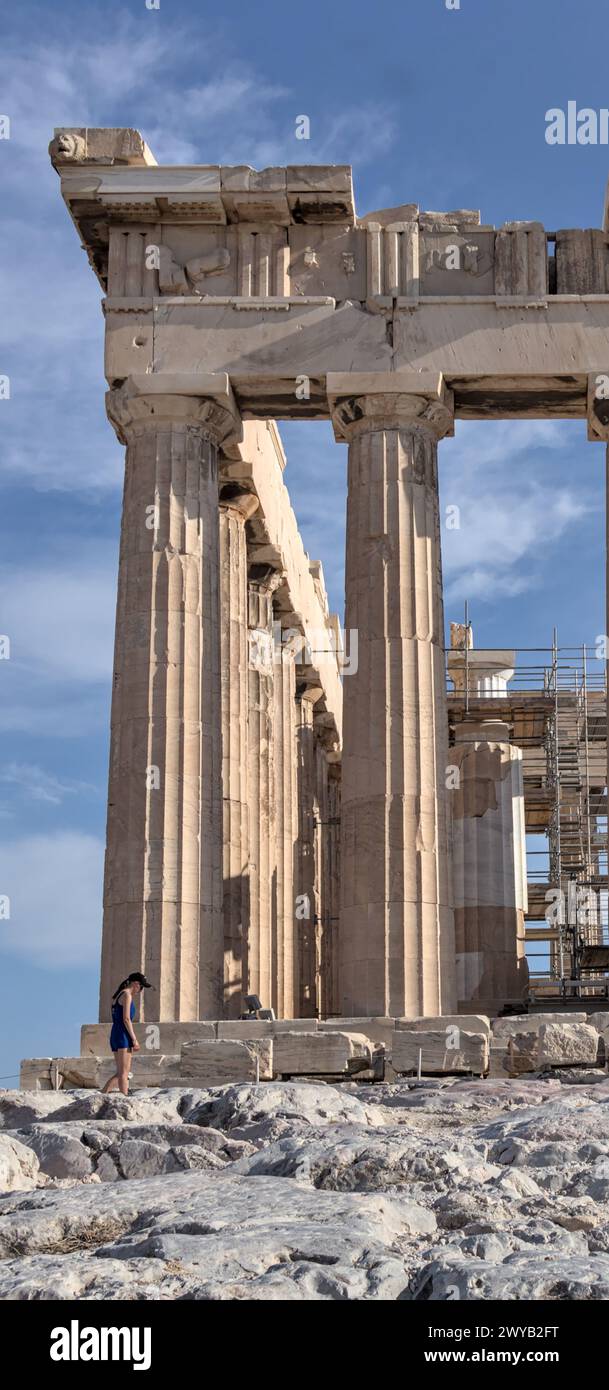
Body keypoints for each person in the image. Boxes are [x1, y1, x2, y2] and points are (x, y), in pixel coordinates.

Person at [102, 972, 152, 1095]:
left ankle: (103, 1093)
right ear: (135, 984)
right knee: (124, 1073)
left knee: (120, 1072)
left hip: (115, 1032)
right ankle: (124, 1097)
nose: (140, 990)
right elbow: (126, 1019)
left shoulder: (117, 995)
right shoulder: (127, 995)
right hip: (123, 1034)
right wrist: (134, 1039)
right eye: (141, 987)